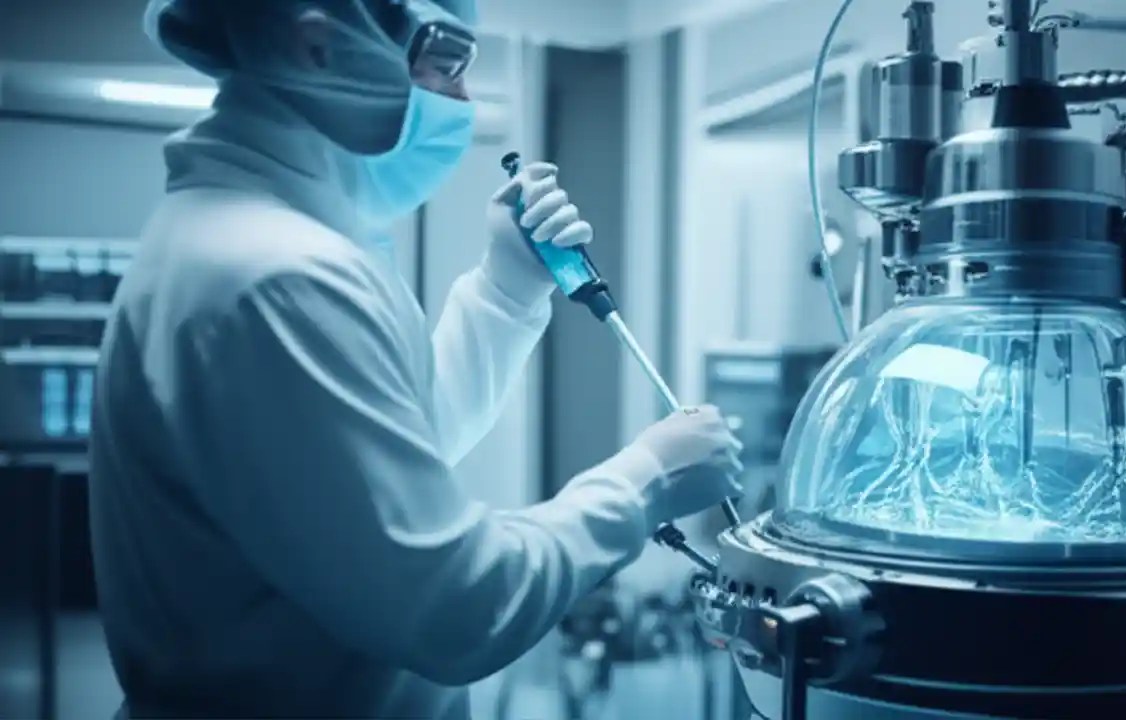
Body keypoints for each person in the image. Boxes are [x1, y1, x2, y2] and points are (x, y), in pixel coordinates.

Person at [87, 1, 744, 717]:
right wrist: (646, 481)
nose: (461, 98)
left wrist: (506, 288)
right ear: (317, 44)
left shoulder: (248, 240)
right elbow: (456, 609)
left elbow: (388, 457)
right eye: (446, 61)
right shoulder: (277, 274)